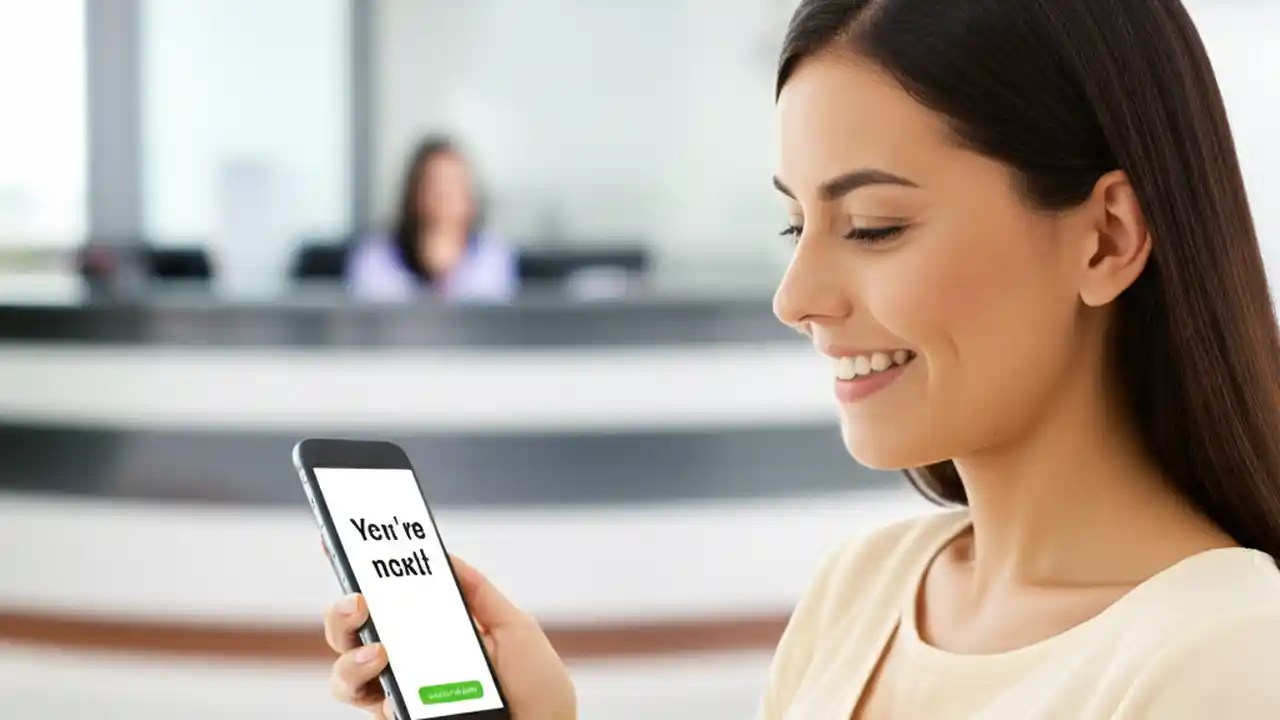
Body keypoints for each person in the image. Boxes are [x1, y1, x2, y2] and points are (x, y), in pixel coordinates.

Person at [323, 0, 1280, 717]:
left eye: (872, 226)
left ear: (1107, 238)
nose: (797, 299)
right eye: (796, 226)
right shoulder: (860, 591)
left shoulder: (1224, 654)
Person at [346, 136, 518, 302]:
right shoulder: (374, 256)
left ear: (471, 199)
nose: (443, 199)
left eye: (453, 188)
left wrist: (445, 278)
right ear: (413, 195)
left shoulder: (493, 256)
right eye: (434, 187)